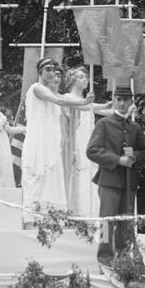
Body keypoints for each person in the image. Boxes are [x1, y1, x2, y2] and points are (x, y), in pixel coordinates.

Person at [21, 57, 110, 224]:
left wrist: (103, 106)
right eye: (47, 70)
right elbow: (61, 101)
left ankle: (50, 217)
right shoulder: (36, 89)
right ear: (39, 71)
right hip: (38, 139)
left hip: (52, 140)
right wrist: (85, 101)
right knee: (38, 173)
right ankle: (33, 216)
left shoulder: (53, 93)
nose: (50, 73)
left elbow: (79, 106)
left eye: (53, 71)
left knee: (51, 174)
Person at [86, 85, 145, 264]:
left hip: (129, 182)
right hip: (109, 181)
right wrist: (117, 160)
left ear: (131, 102)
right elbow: (92, 150)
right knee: (107, 222)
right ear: (114, 101)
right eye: (119, 100)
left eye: (126, 100)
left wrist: (134, 156)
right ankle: (105, 258)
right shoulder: (104, 124)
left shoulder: (135, 128)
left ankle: (123, 259)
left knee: (125, 222)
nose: (122, 104)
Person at [62, 65, 115, 217]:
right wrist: (102, 105)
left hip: (89, 139)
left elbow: (104, 112)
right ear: (72, 80)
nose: (85, 80)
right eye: (80, 77)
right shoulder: (68, 98)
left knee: (90, 171)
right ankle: (76, 211)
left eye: (85, 77)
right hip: (75, 140)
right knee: (78, 171)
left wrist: (122, 111)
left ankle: (90, 210)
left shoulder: (87, 102)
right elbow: (85, 107)